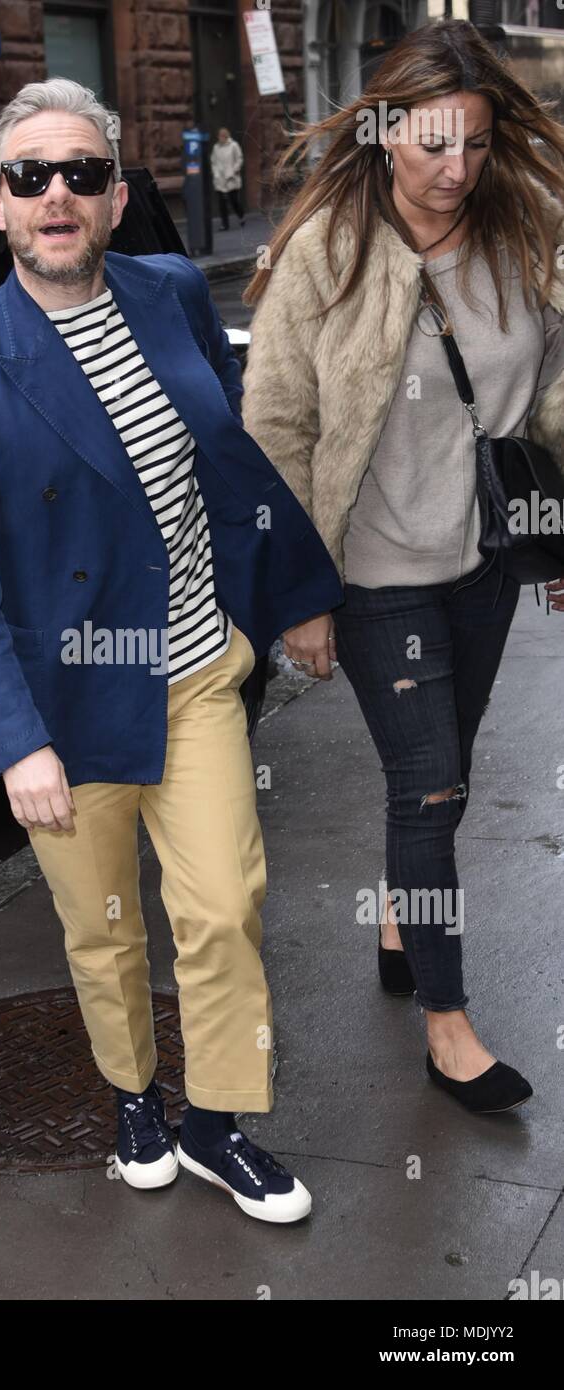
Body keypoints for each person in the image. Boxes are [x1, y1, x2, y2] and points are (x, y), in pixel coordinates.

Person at [0, 77, 342, 1223]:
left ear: (115, 196)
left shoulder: (169, 291)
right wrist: (12, 742)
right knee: (101, 929)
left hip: (194, 671)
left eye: (82, 174)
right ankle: (131, 1091)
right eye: (30, 176)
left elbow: (230, 459)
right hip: (65, 706)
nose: (57, 194)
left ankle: (215, 1120)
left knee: (222, 903)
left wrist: (290, 591)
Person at [241, 19, 564, 1114]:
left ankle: (395, 914)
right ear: (381, 134)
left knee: (446, 774)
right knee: (424, 787)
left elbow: (553, 387)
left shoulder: (524, 227)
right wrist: (296, 594)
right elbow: (275, 426)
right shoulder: (325, 251)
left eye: (472, 143)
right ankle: (447, 1025)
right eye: (430, 143)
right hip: (372, 573)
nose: (452, 169)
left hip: (482, 563)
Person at [211, 127, 245, 231]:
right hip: (220, 179)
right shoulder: (216, 147)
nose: (220, 138)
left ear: (226, 136)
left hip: (232, 178)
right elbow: (214, 162)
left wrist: (235, 170)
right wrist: (216, 174)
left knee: (234, 200)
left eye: (222, 136)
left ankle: (241, 215)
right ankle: (224, 224)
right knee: (222, 203)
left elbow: (239, 159)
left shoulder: (233, 145)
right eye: (219, 136)